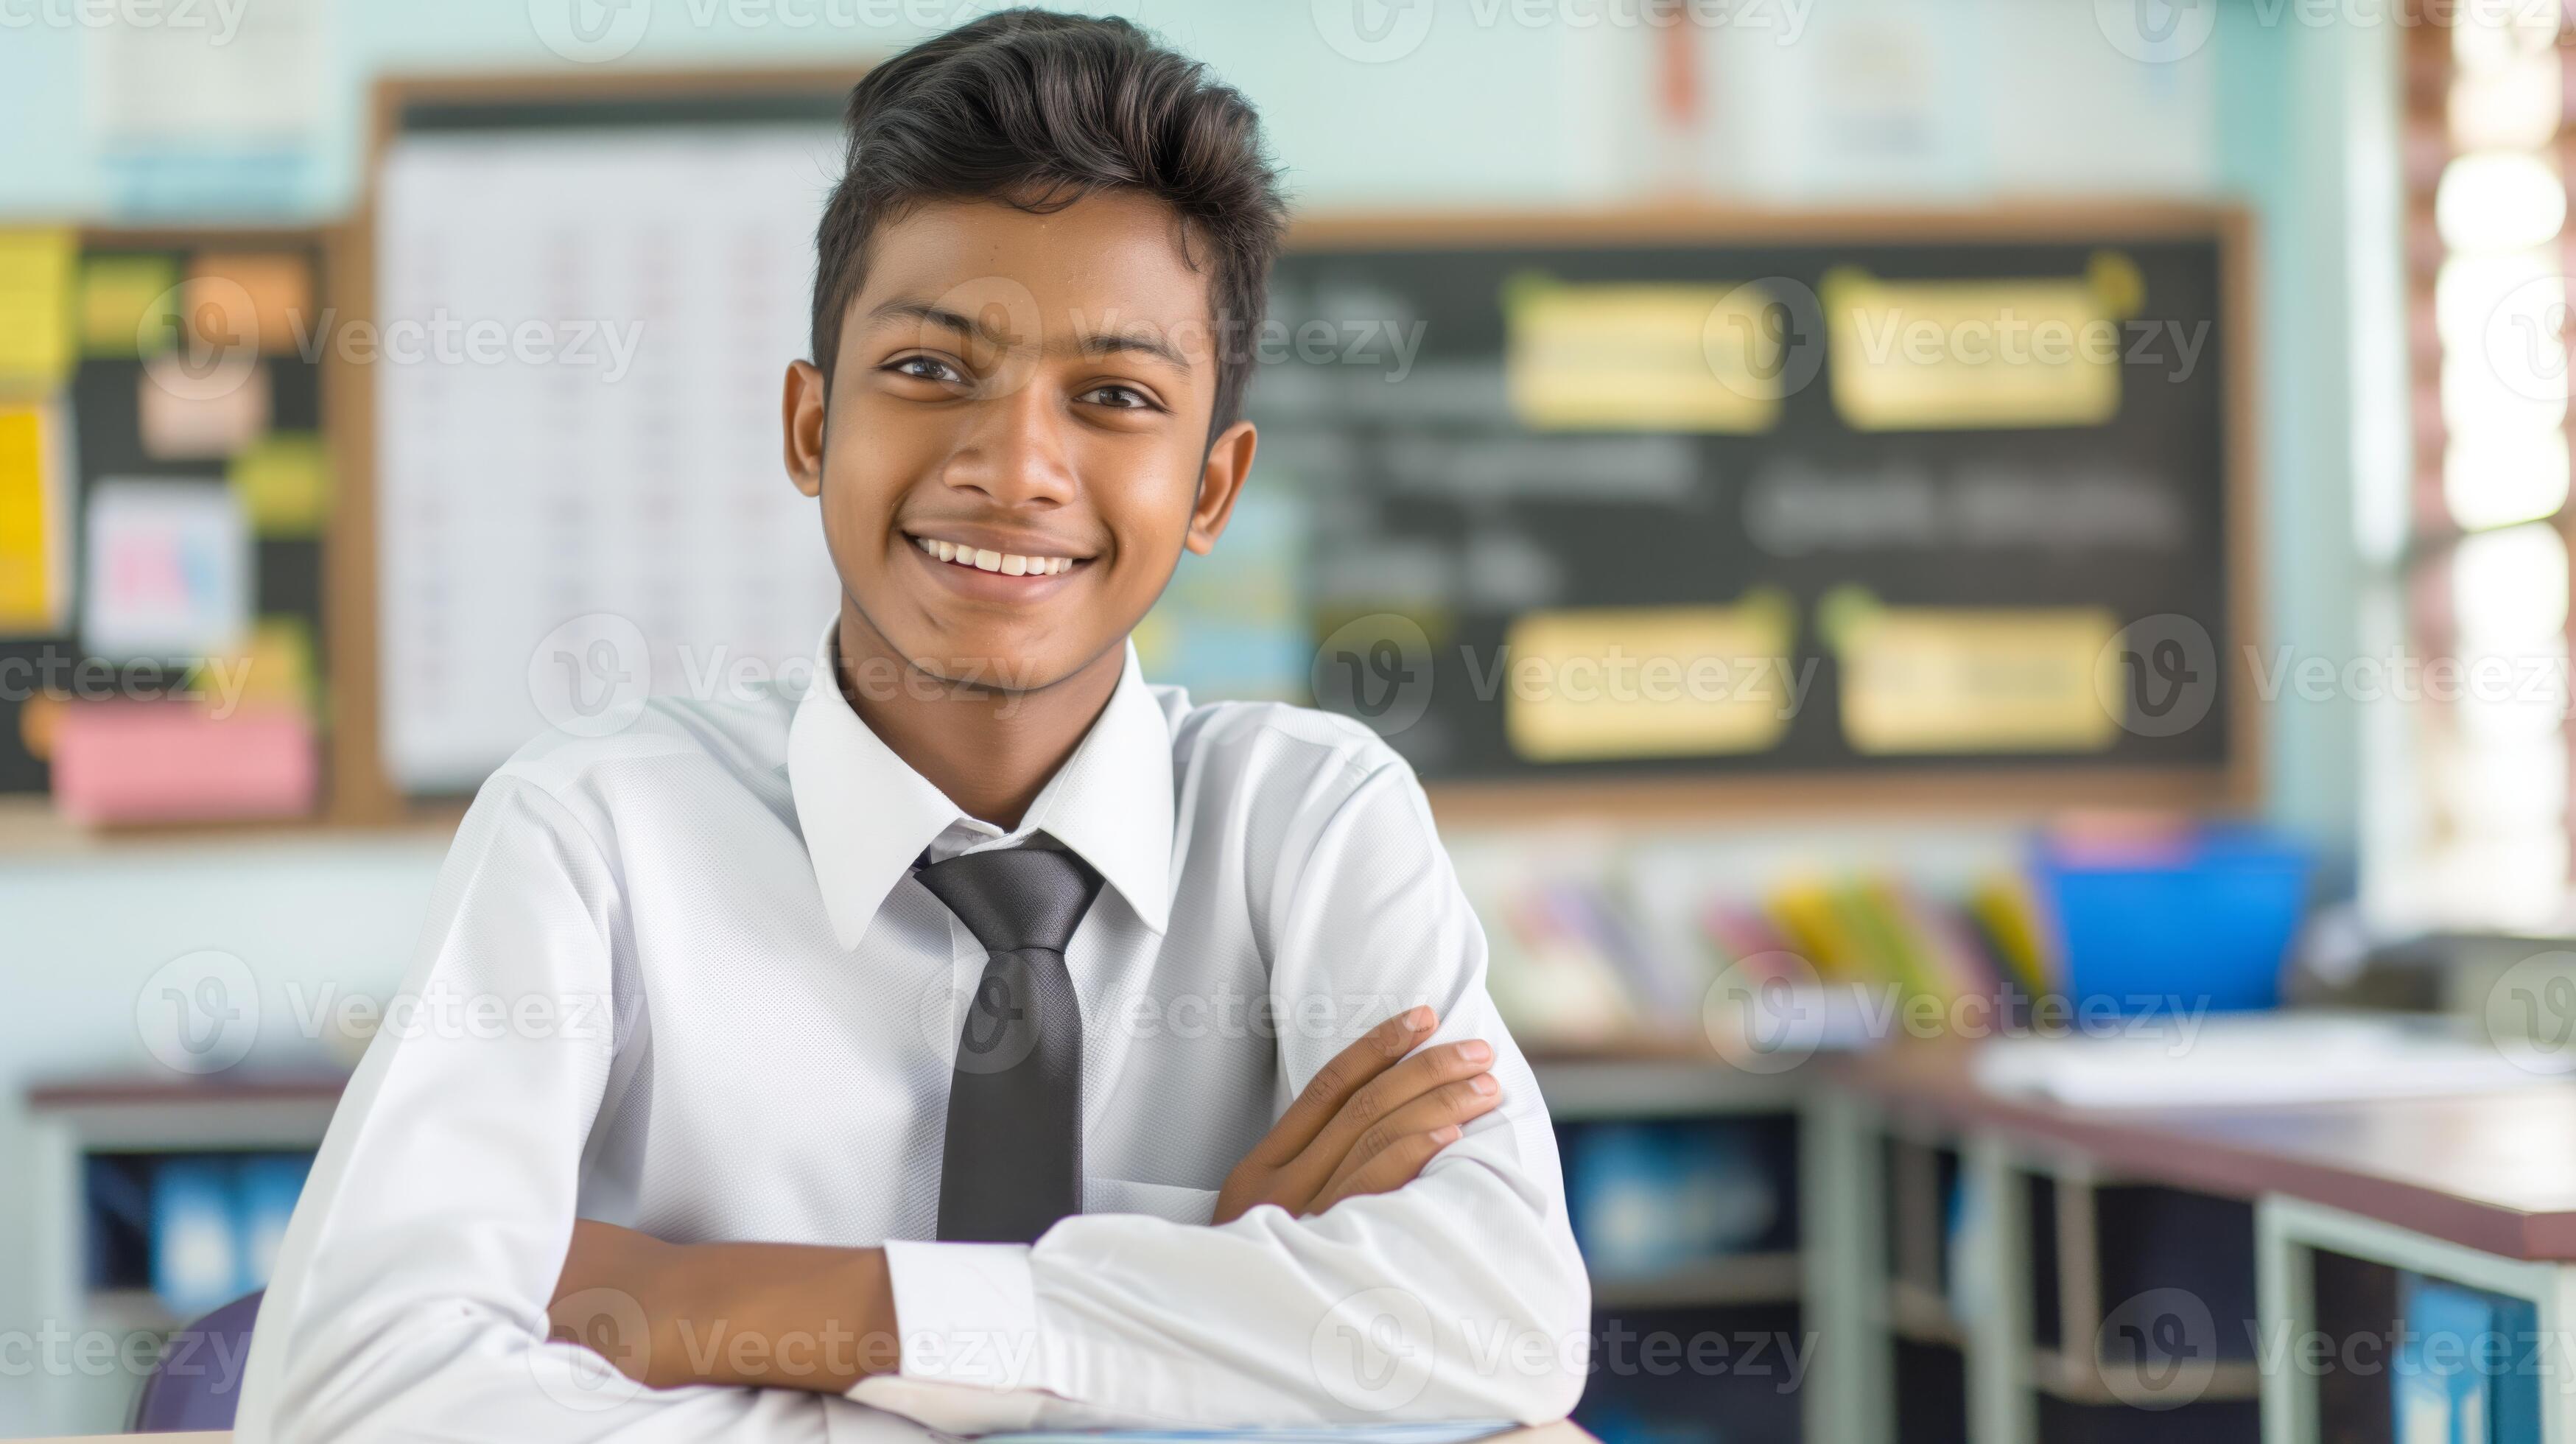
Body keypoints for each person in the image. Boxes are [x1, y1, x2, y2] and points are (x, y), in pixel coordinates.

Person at [236, 12, 1588, 1440]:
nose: (1014, 467)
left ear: (1210, 489)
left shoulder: (1307, 820)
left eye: (1117, 396)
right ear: (812, 428)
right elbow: (353, 1393)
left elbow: (1498, 1322)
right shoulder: (597, 829)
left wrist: (792, 1305)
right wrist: (1180, 1333)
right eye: (931, 370)